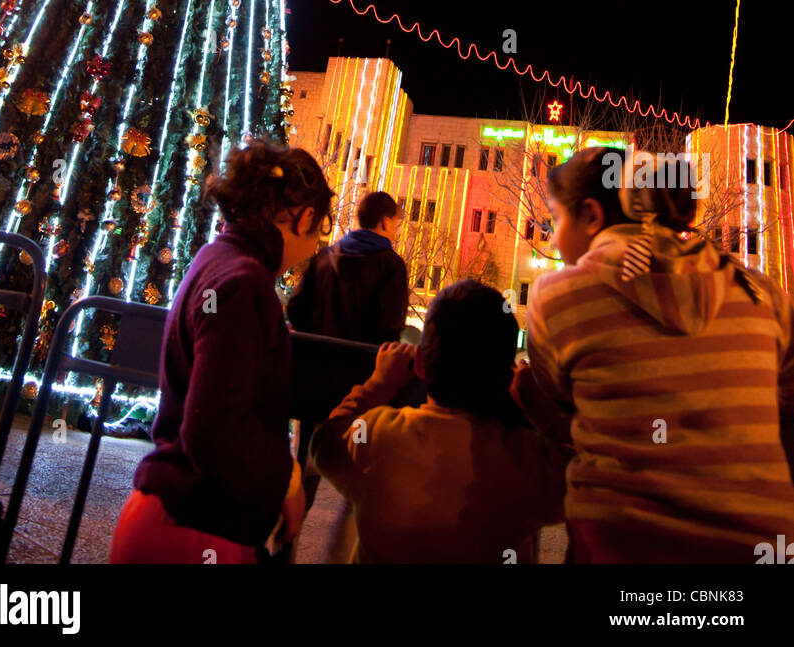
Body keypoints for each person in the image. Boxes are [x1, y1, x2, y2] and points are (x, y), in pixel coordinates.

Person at [513, 146, 794, 564]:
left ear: (591, 215)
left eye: (555, 219)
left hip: (619, 542)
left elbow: (562, 401)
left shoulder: (556, 297)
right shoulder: (759, 292)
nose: (552, 238)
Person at [109, 137, 333, 564]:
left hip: (171, 520)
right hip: (193, 532)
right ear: (306, 219)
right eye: (320, 229)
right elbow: (213, 426)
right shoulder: (244, 283)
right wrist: (286, 479)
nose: (316, 247)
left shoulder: (218, 257)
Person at [309, 279, 569, 563]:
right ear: (509, 380)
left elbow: (326, 446)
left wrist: (378, 384)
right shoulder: (527, 460)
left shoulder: (379, 435)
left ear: (419, 364)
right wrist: (539, 407)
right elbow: (581, 474)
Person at [286, 190, 408, 344]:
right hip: (362, 365)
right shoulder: (392, 267)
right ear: (385, 222)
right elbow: (390, 329)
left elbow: (295, 308)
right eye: (396, 224)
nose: (395, 233)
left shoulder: (323, 258)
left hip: (314, 360)